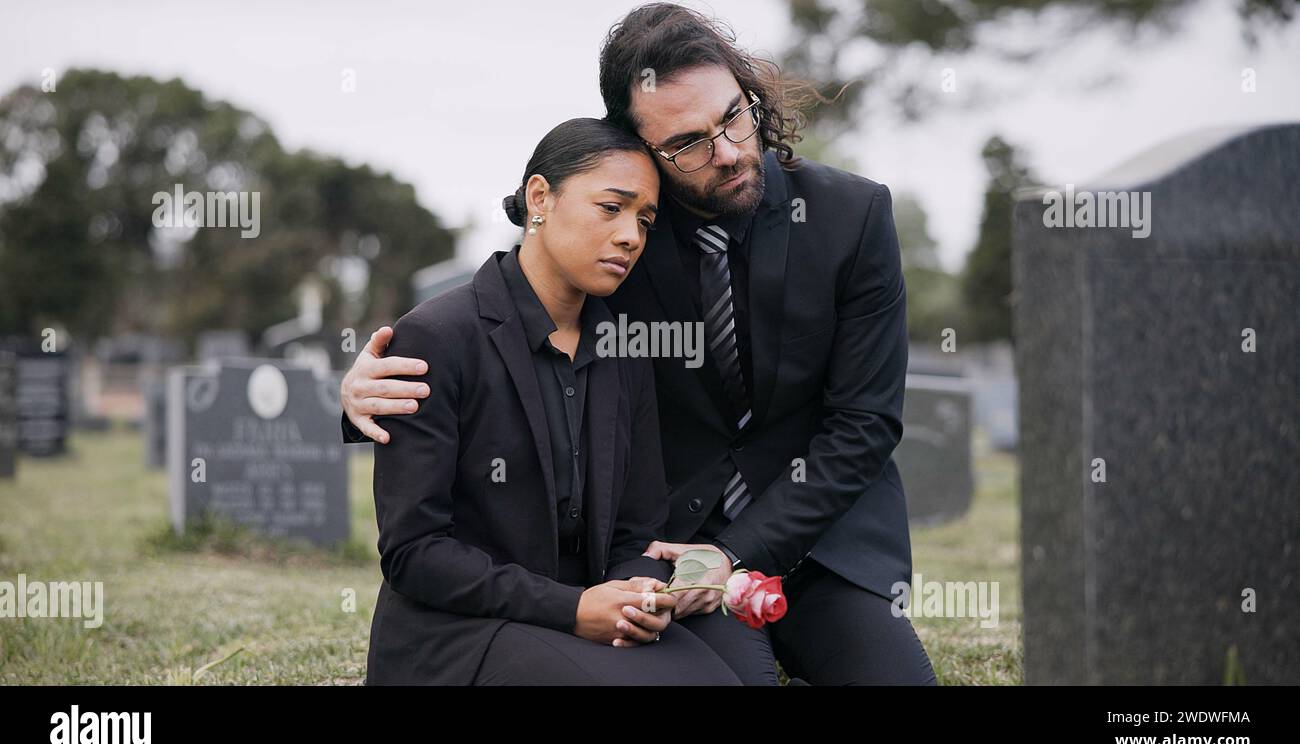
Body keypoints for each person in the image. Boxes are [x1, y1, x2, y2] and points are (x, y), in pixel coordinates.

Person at [351, 3, 938, 686]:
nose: (725, 152)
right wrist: (362, 386)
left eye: (733, 116)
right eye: (686, 143)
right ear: (640, 145)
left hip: (826, 542)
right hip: (678, 547)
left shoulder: (852, 217)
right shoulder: (627, 230)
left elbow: (864, 426)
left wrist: (738, 554)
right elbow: (516, 297)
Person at [365, 116, 742, 685]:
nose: (630, 236)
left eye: (644, 219)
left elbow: (636, 531)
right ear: (540, 197)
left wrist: (636, 589)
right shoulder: (439, 336)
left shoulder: (625, 349)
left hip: (584, 618)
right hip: (456, 632)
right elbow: (414, 552)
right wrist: (572, 609)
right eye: (610, 208)